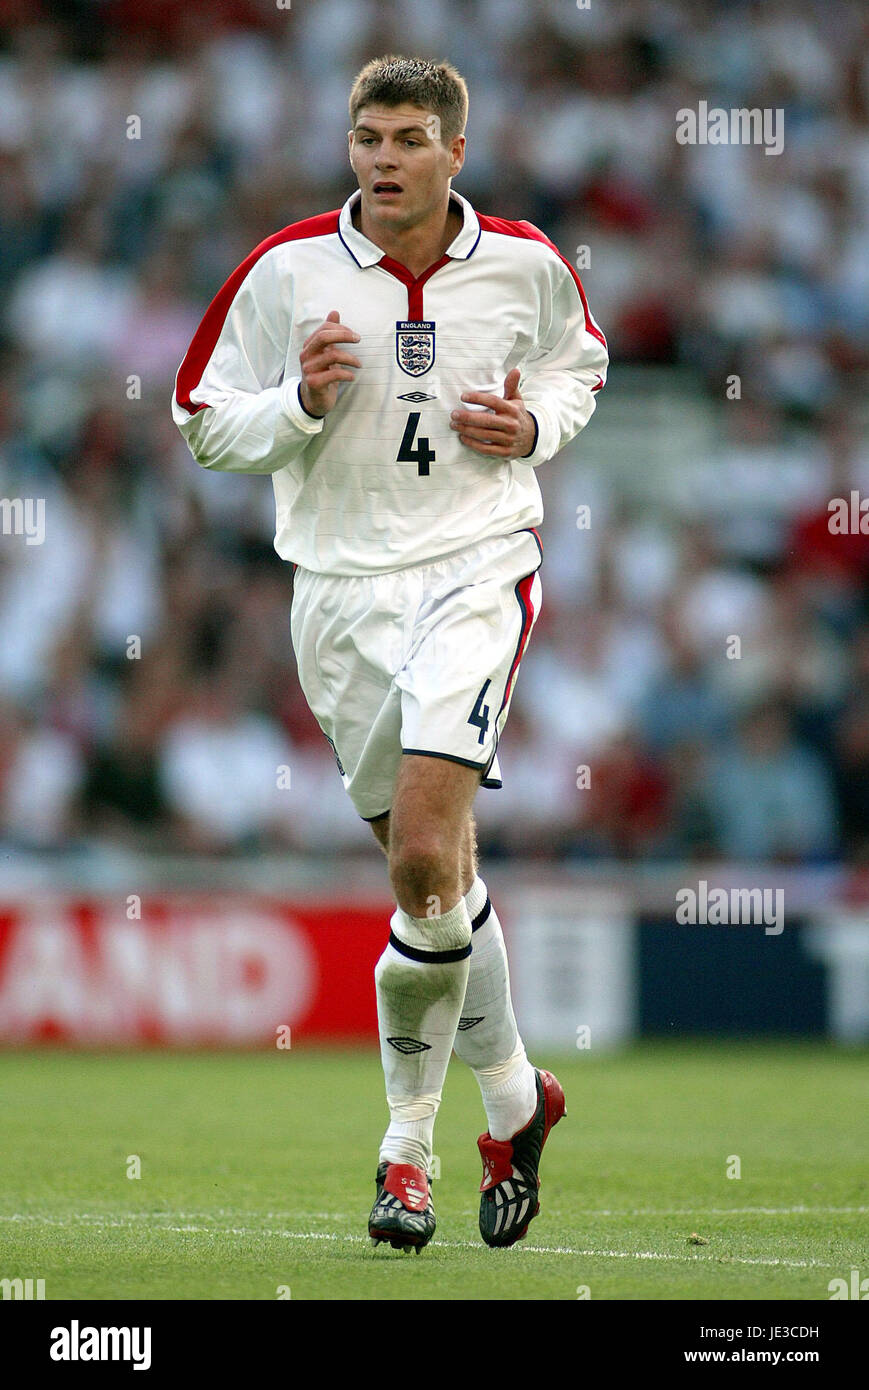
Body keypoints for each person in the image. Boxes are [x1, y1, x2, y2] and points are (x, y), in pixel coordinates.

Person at [172, 54, 607, 1252]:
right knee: (437, 883)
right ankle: (518, 1100)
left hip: (476, 565)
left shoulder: (523, 262)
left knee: (421, 848)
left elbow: (581, 363)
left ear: (453, 151)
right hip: (338, 593)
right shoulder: (286, 267)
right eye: (367, 136)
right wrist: (297, 410)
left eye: (408, 138)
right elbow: (202, 419)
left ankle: (403, 1154)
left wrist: (535, 423)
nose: (382, 158)